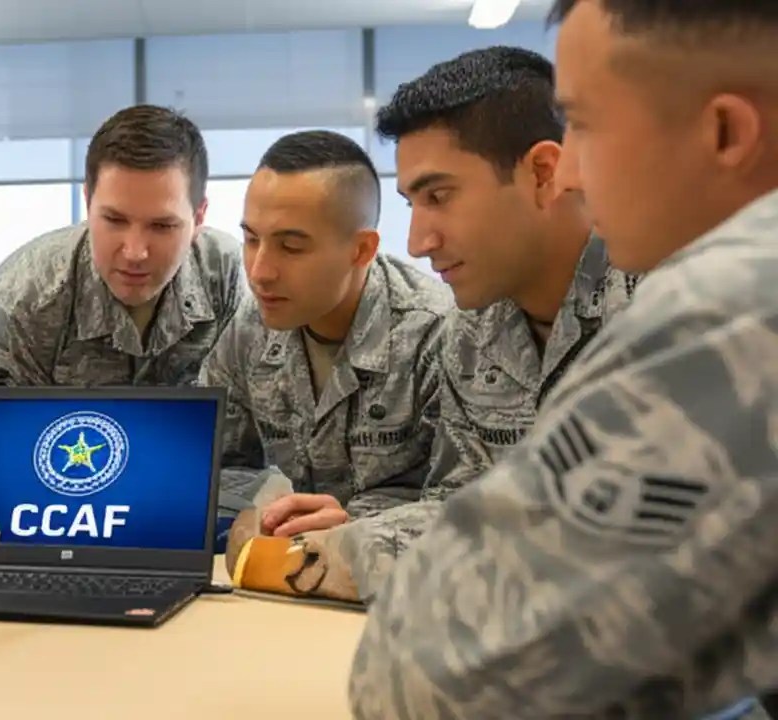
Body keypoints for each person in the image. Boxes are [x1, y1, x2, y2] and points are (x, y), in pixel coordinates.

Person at [349, 1, 778, 718]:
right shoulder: (473, 328)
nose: (571, 172)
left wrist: (361, 554)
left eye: (584, 123)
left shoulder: (731, 306)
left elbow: (427, 679)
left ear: (726, 132)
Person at [225, 48, 638, 603]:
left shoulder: (664, 302)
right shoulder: (475, 330)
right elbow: (458, 509)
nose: (418, 242)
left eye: (440, 197)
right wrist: (344, 535)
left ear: (542, 173)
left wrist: (316, 560)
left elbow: (616, 541)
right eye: (412, 203)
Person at [199, 130, 451, 517]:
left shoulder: (438, 335)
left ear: (361, 249)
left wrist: (356, 529)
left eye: (291, 247)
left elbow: (470, 504)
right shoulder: (250, 330)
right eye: (251, 240)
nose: (260, 272)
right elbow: (210, 469)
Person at [0, 104, 242, 388]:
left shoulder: (229, 279)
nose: (135, 252)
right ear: (87, 202)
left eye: (162, 226)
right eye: (114, 220)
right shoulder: (19, 301)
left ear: (199, 217)